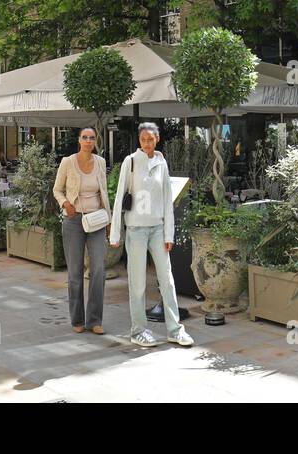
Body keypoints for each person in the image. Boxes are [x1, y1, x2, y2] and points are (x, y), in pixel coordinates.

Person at [109, 122, 193, 348]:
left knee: (167, 280)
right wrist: (115, 233)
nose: (147, 143)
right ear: (139, 140)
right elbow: (119, 197)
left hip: (157, 229)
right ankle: (138, 330)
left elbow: (167, 200)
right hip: (135, 229)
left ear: (157, 140)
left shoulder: (162, 163)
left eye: (151, 139)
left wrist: (169, 234)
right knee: (137, 283)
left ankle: (175, 329)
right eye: (143, 139)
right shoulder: (131, 162)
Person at [52, 127, 111, 335]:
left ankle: (94, 320)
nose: (88, 141)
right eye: (84, 137)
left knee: (98, 270)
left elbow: (104, 193)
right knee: (75, 272)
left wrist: (109, 220)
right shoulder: (68, 162)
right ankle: (77, 319)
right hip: (74, 220)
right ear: (79, 140)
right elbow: (56, 189)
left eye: (91, 138)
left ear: (95, 141)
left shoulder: (101, 162)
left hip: (96, 221)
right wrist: (65, 203)